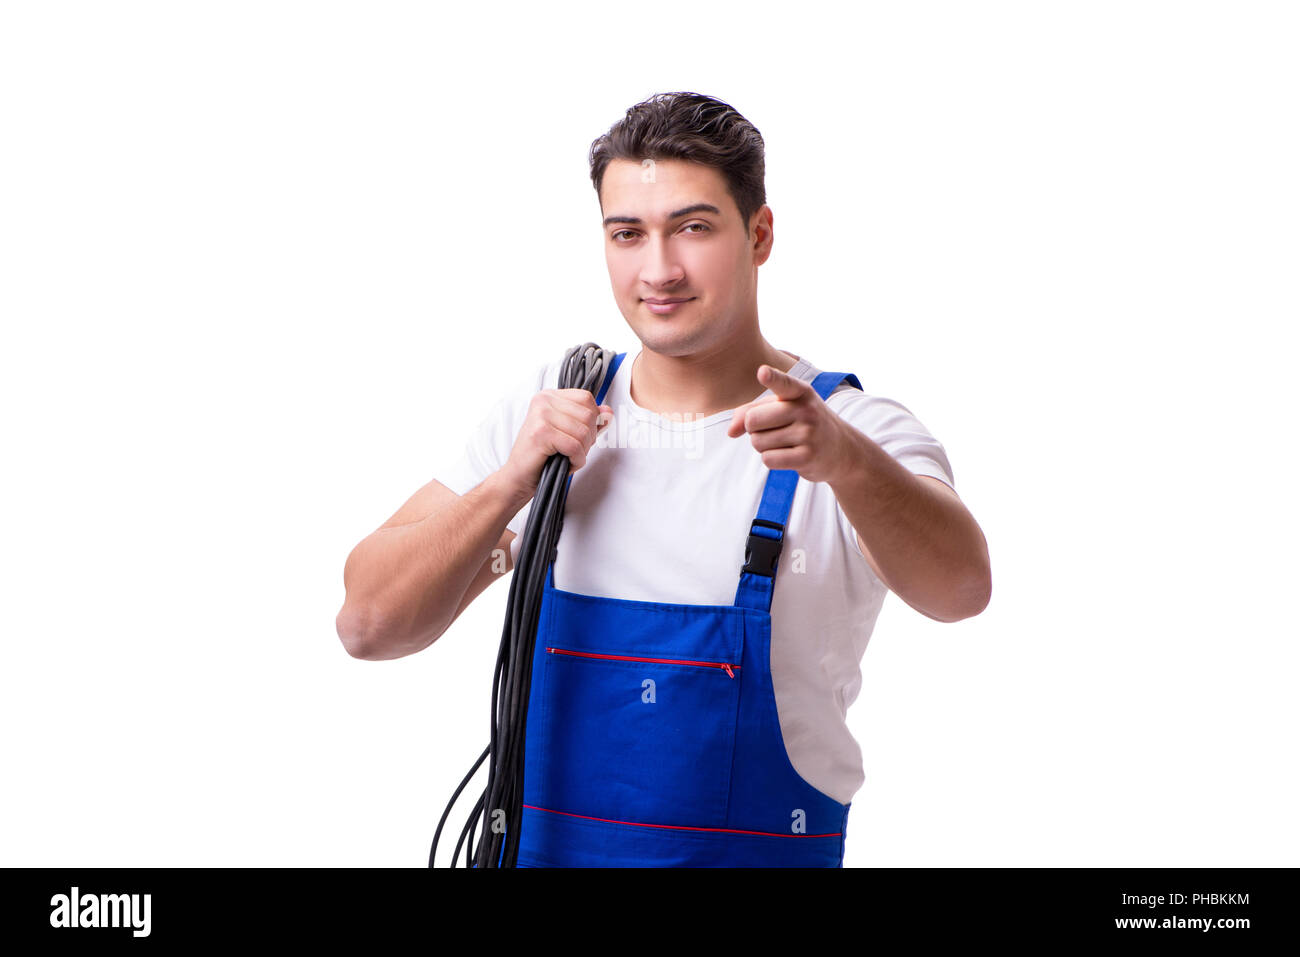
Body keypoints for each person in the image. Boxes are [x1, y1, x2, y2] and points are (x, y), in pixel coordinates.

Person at [335, 91, 992, 866]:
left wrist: (843, 462)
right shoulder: (552, 415)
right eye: (628, 234)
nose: (659, 270)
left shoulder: (854, 431)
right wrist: (512, 484)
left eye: (693, 227)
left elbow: (961, 590)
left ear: (760, 233)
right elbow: (367, 624)